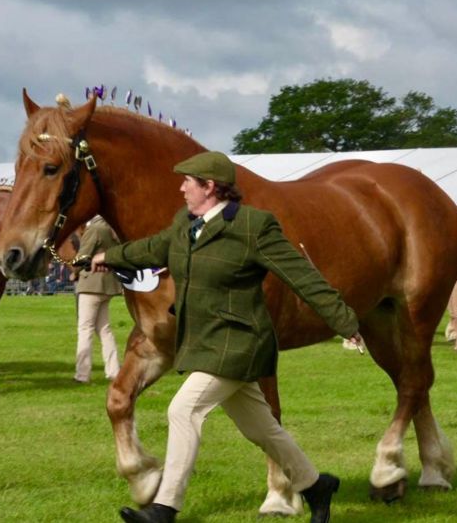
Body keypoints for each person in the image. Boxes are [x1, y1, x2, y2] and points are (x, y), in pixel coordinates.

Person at [90, 150, 365, 523]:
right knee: (262, 429)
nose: (182, 187)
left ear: (211, 187)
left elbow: (301, 275)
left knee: (183, 410)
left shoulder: (254, 226)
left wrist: (346, 321)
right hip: (204, 341)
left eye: (189, 181)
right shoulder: (186, 223)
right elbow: (154, 248)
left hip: (239, 342)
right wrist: (111, 256)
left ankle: (164, 508)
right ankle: (316, 486)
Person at [73, 216, 122, 383]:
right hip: (107, 284)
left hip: (91, 284)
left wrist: (74, 271)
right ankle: (114, 370)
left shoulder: (94, 229)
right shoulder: (111, 227)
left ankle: (82, 374)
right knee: (104, 330)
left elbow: (82, 256)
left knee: (85, 328)